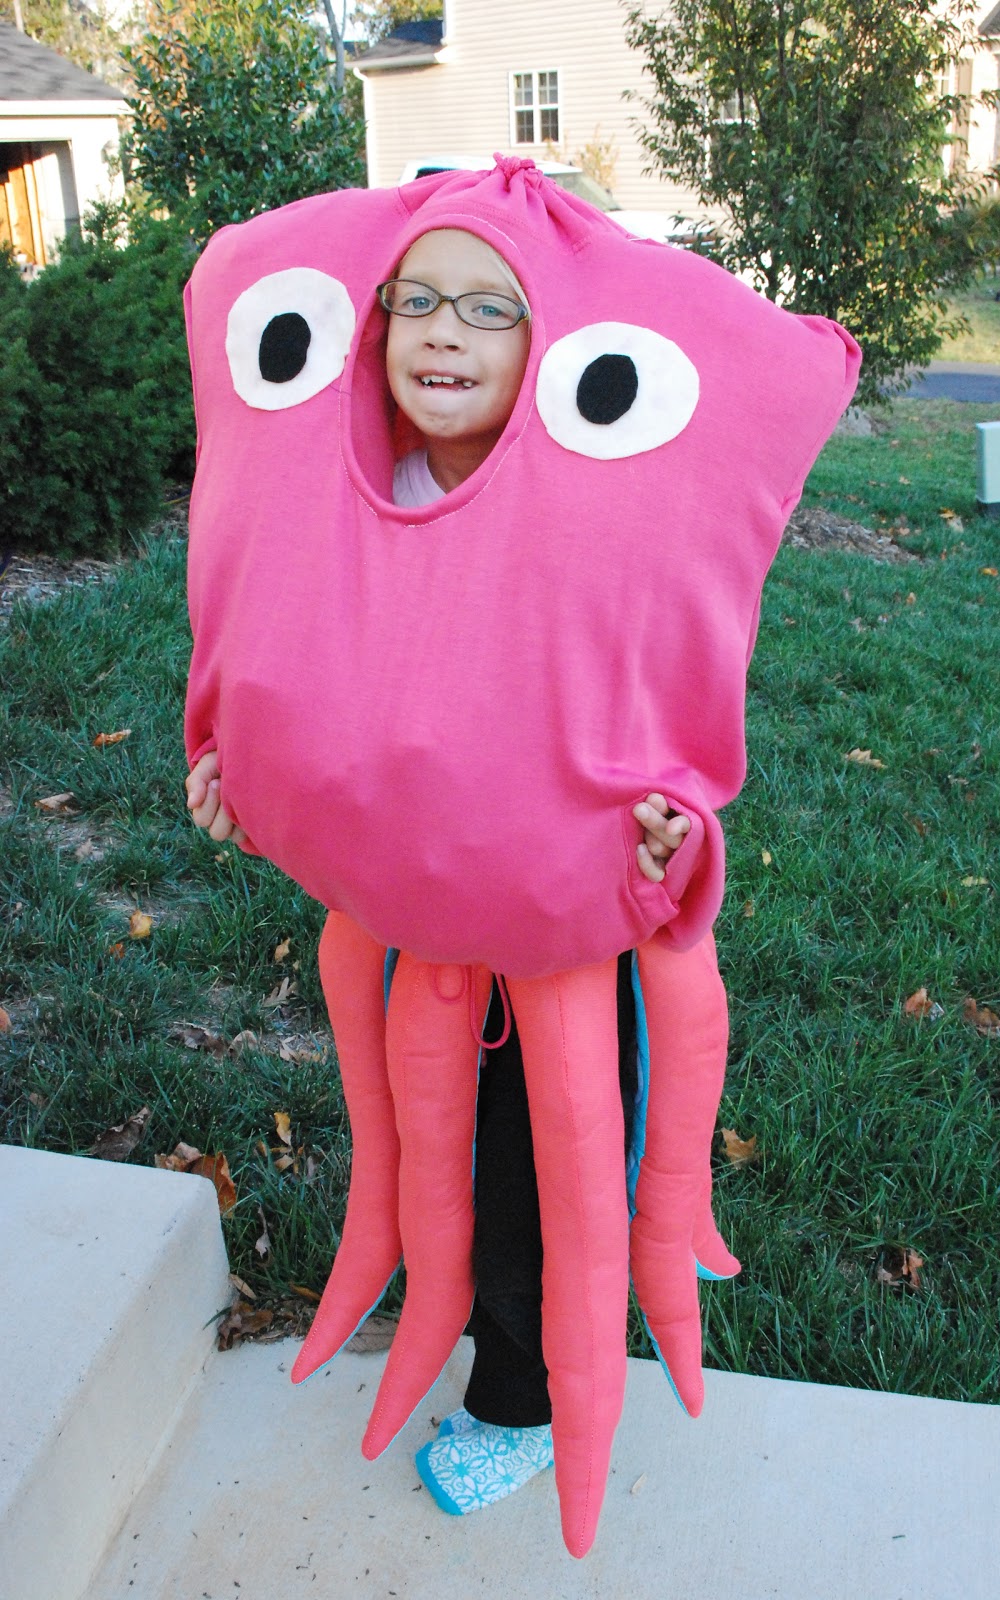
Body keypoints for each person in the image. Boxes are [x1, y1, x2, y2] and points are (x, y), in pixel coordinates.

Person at [185, 223, 692, 1513]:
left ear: (548, 340)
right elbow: (311, 689)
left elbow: (651, 711)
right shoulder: (354, 492)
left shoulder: (590, 505)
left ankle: (525, 1395)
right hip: (414, 932)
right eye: (416, 301)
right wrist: (250, 786)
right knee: (430, 1155)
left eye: (486, 308)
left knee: (540, 1180)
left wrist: (668, 836)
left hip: (558, 948)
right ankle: (456, 1316)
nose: (443, 333)